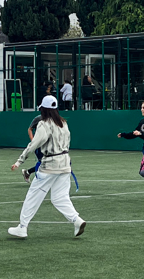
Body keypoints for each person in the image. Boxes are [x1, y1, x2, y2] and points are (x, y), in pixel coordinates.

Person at [8, 94, 86, 238]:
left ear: (43, 109)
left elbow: (33, 145)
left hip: (49, 166)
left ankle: (22, 227)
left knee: (33, 196)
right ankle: (77, 220)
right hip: (65, 164)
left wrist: (20, 161)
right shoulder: (63, 123)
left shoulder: (44, 124)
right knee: (60, 197)